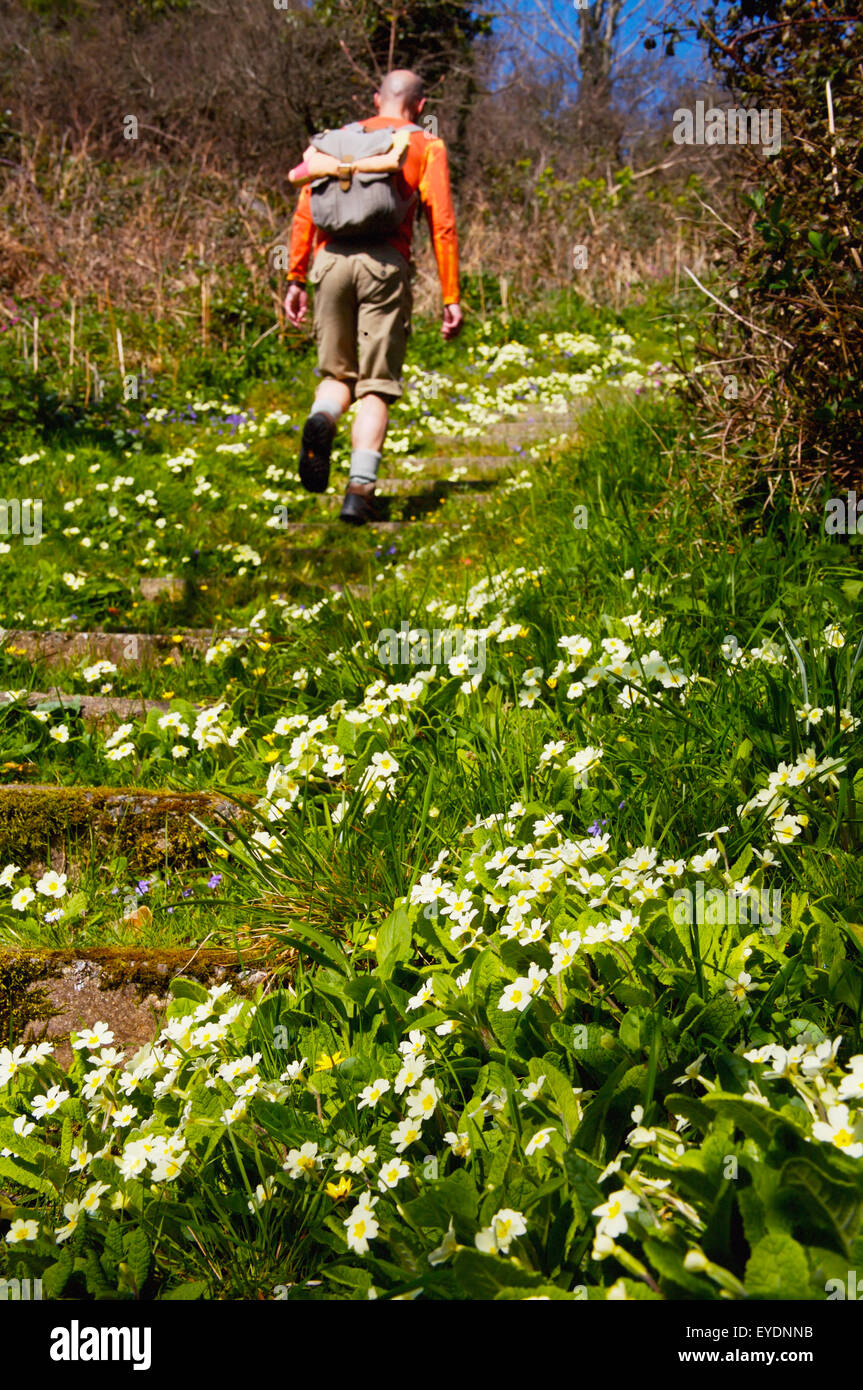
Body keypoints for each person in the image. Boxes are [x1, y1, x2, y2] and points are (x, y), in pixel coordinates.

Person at [284, 69, 463, 524]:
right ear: (421, 106)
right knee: (376, 385)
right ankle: (359, 493)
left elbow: (305, 210)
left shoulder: (335, 141)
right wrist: (451, 295)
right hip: (384, 265)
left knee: (335, 374)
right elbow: (441, 223)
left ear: (374, 98)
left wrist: (295, 277)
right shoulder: (426, 145)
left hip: (329, 264)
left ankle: (323, 416)